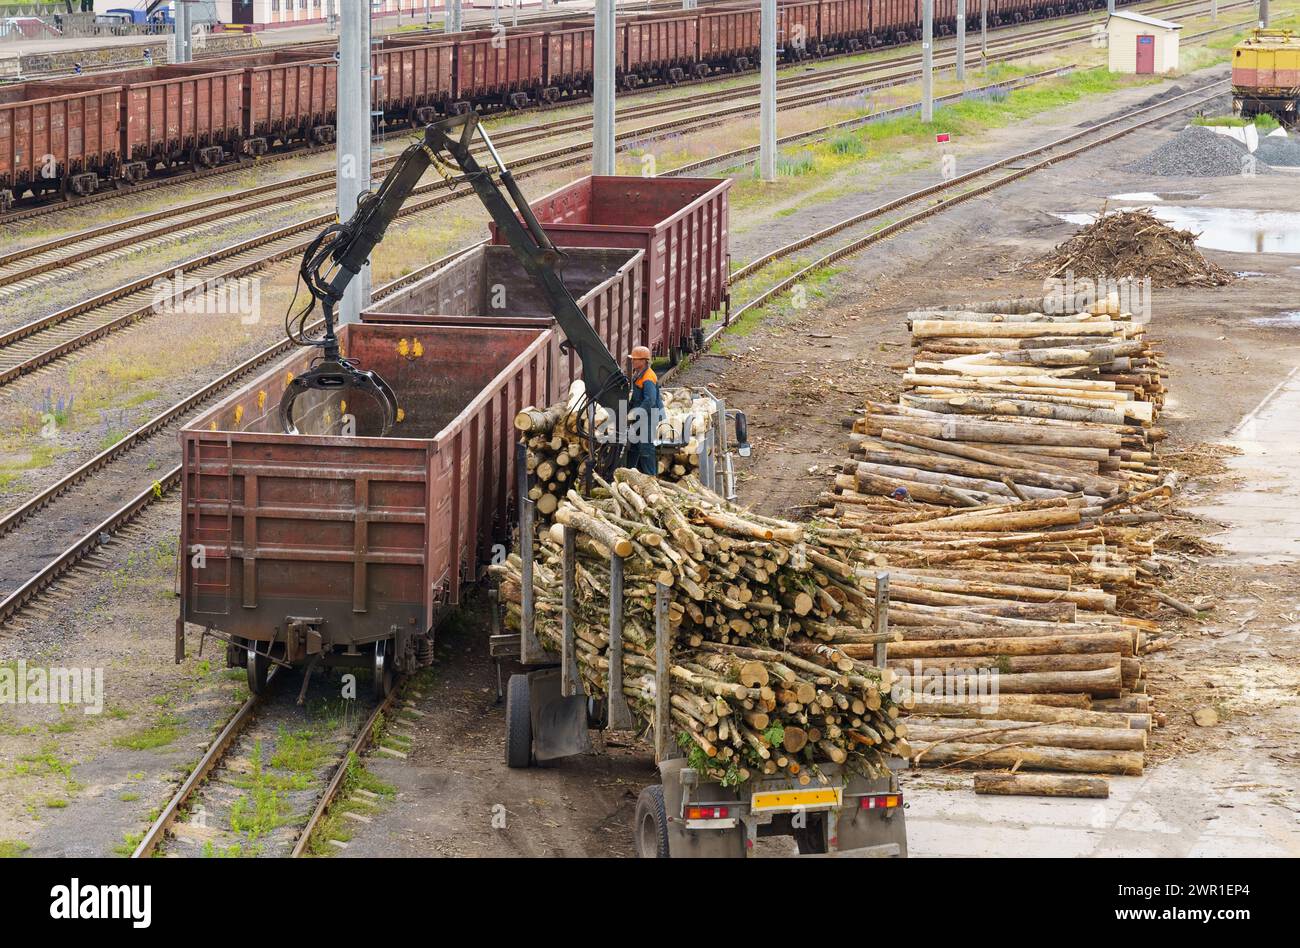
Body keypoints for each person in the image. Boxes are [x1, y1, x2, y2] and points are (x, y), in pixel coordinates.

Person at [625, 345, 663, 476]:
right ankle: (631, 472)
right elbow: (636, 397)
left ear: (643, 361)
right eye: (632, 359)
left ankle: (650, 476)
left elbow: (650, 401)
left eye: (635, 359)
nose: (633, 361)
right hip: (642, 415)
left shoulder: (648, 377)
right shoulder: (638, 374)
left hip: (649, 416)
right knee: (634, 445)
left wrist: (634, 414)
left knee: (645, 447)